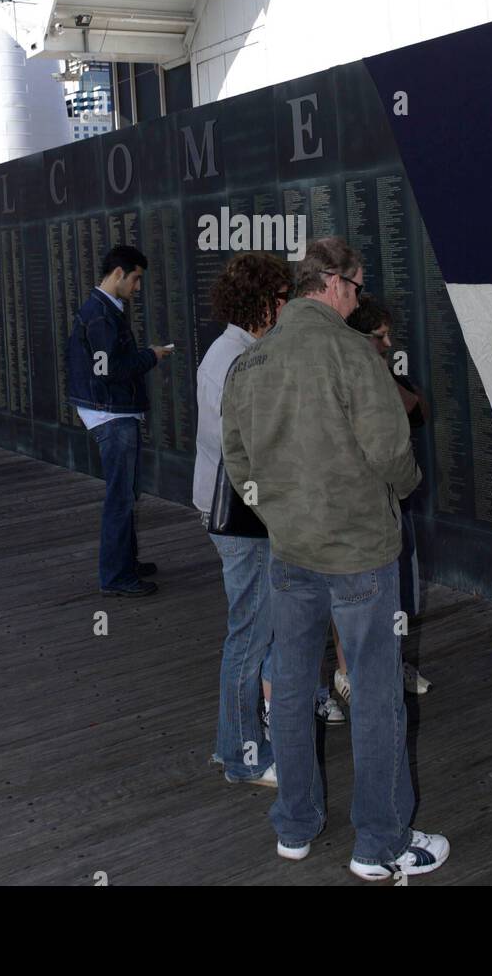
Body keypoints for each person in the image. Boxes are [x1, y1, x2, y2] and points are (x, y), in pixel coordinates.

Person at [221, 236, 449, 880]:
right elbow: (390, 450)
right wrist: (401, 492)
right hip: (358, 556)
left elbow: (238, 463)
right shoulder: (353, 355)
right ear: (332, 283)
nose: (359, 298)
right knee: (375, 694)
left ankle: (294, 827)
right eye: (356, 285)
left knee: (292, 689)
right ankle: (380, 845)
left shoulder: (252, 363)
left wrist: (277, 513)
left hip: (290, 552)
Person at [193, 252, 293, 786]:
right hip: (241, 519)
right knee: (250, 637)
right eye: (282, 298)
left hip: (249, 515)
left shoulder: (242, 351)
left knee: (262, 631)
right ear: (262, 302)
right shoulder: (231, 358)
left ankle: (243, 738)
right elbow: (232, 447)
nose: (288, 306)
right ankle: (240, 756)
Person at [336, 294, 432, 698]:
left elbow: (419, 411)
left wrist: (383, 377)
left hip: (397, 505)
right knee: (353, 600)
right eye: (380, 337)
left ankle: (393, 661)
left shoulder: (384, 373)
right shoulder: (342, 379)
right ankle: (349, 675)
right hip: (359, 510)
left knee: (398, 594)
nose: (389, 345)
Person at [67, 245, 173, 598]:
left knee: (125, 494)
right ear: (118, 274)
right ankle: (115, 576)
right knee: (120, 498)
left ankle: (124, 562)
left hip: (112, 411)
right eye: (136, 279)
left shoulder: (104, 309)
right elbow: (108, 369)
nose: (137, 287)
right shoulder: (100, 315)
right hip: (111, 414)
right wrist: (151, 356)